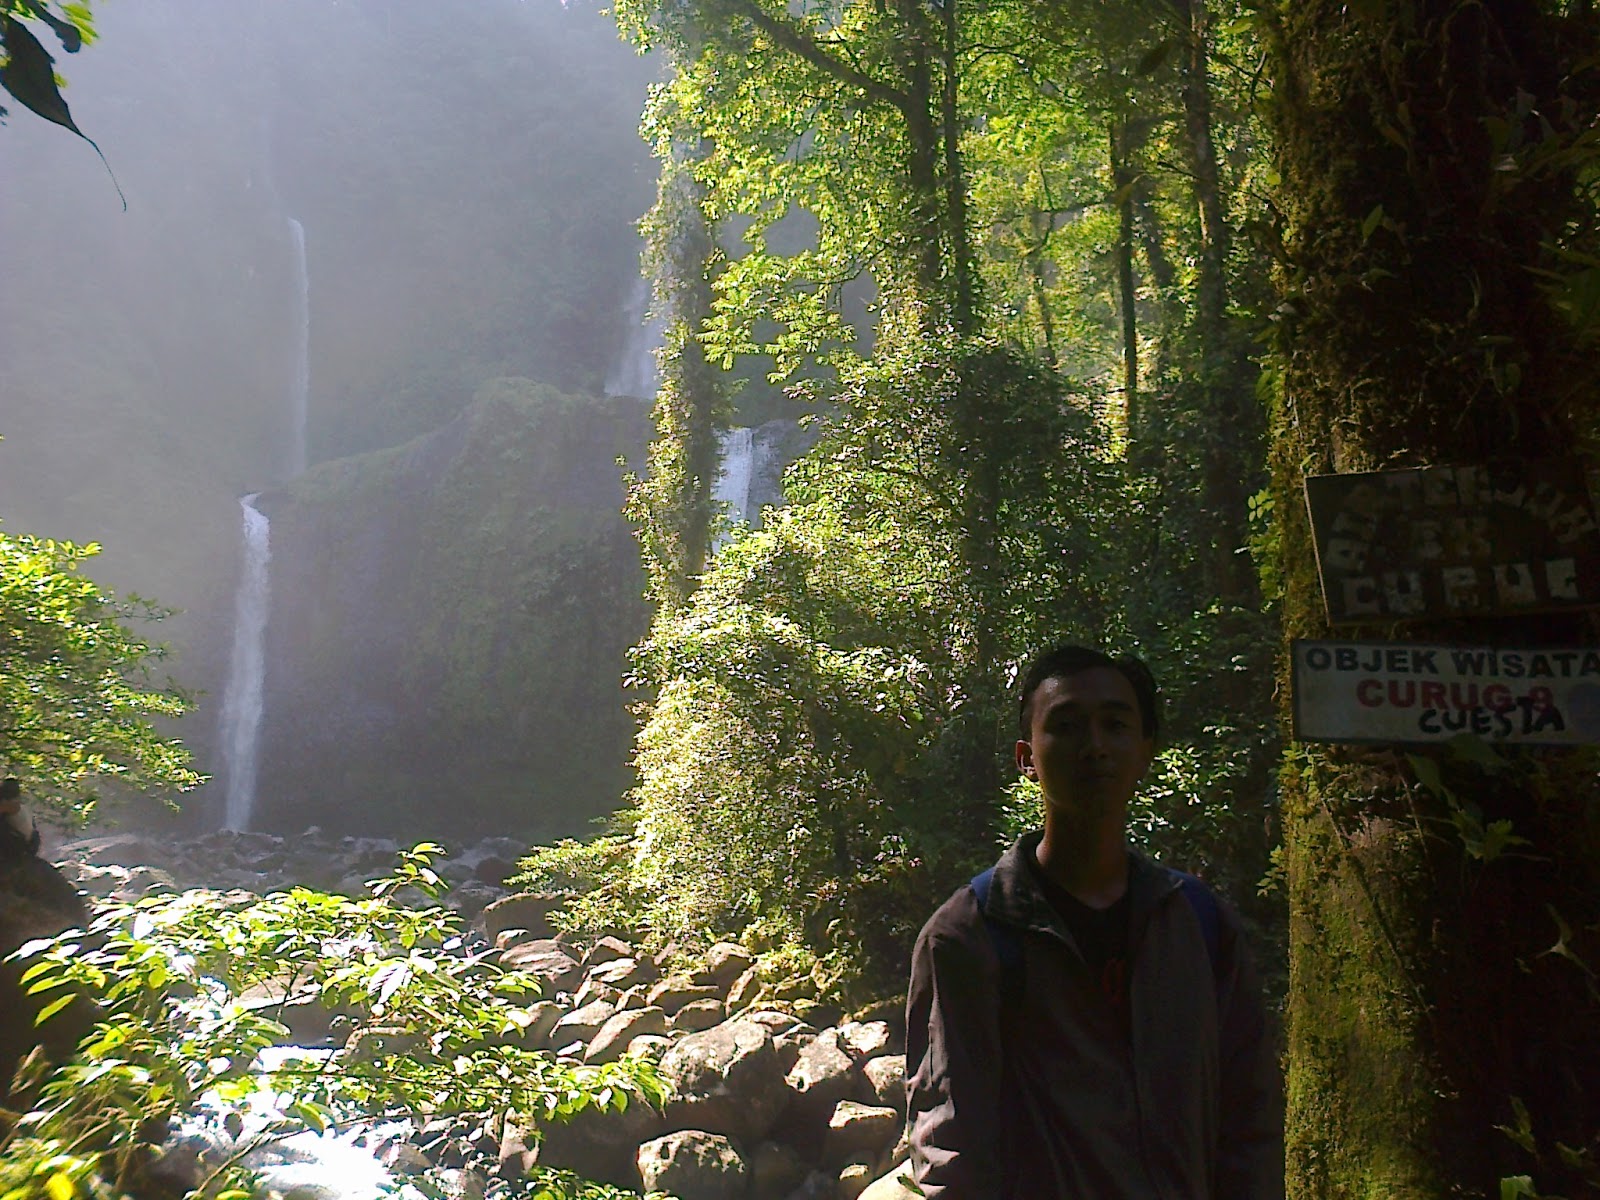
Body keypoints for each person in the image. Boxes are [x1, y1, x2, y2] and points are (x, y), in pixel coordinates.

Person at [905, 644, 1284, 1199]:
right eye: (1066, 726)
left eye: (1115, 724)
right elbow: (949, 1148)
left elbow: (1250, 1116)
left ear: (1145, 750)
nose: (1095, 746)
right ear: (1026, 756)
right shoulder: (969, 935)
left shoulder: (1200, 924)